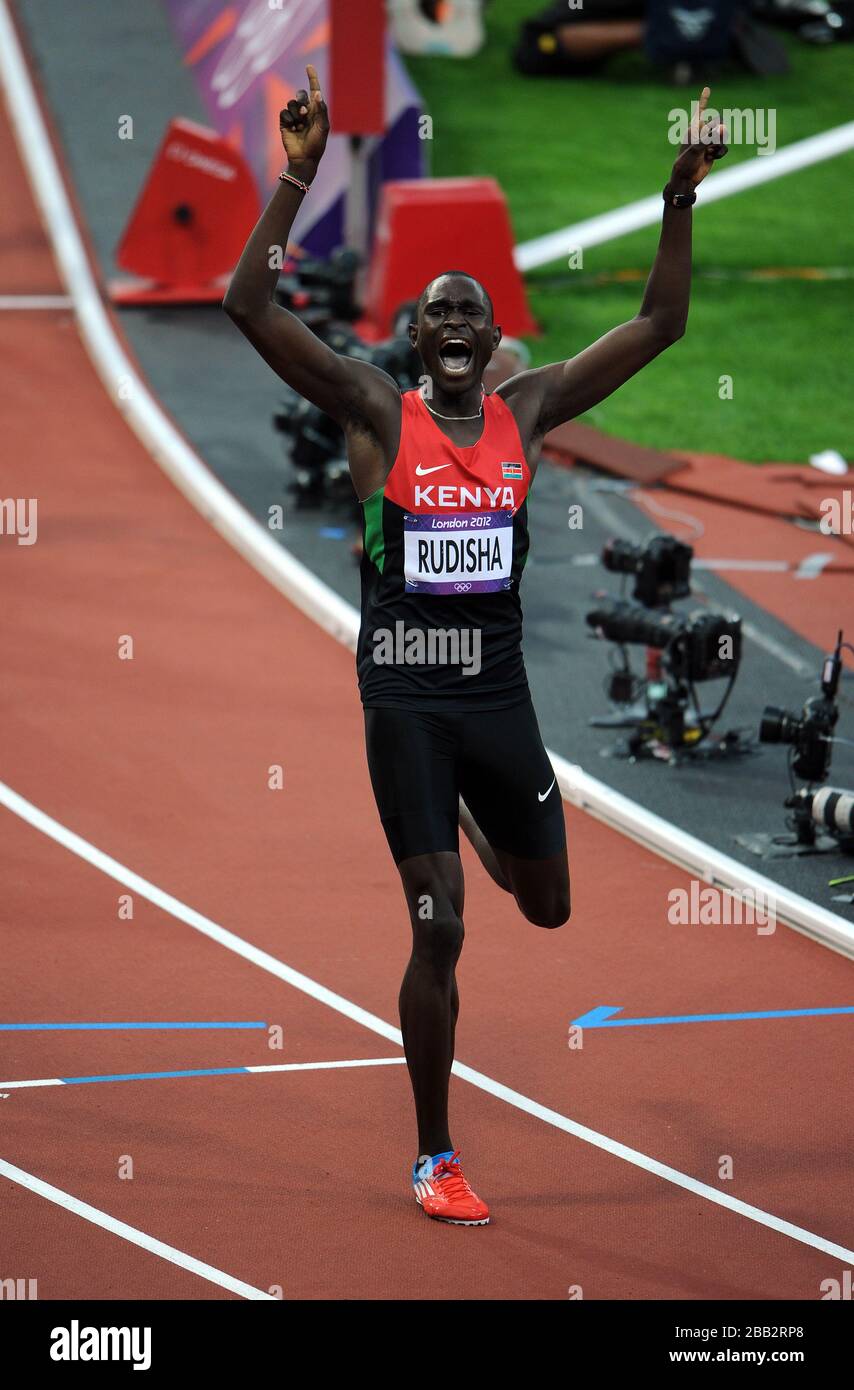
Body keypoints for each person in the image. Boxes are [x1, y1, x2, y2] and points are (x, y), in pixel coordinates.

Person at [223, 66, 727, 1225]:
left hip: (498, 699)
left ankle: (469, 818)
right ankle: (435, 1155)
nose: (452, 327)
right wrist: (298, 168)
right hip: (403, 697)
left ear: (493, 338)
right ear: (410, 339)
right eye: (433, 314)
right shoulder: (368, 410)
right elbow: (248, 306)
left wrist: (677, 198)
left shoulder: (528, 412)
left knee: (543, 906)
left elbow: (659, 324)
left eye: (470, 314)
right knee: (438, 922)